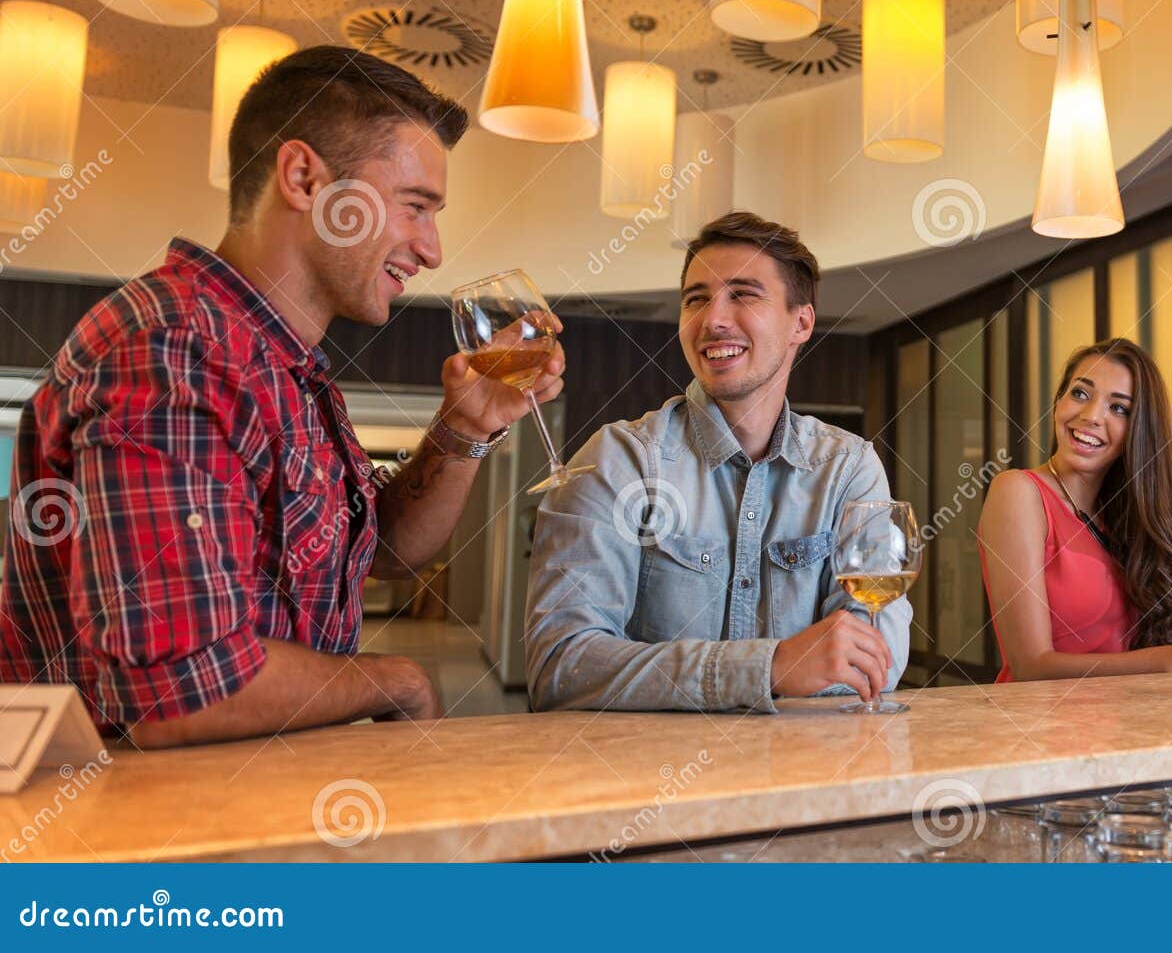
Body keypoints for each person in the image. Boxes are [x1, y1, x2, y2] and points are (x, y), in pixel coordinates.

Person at [0, 46, 564, 747]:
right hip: (144, 841)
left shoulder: (282, 366)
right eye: (415, 207)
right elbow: (185, 698)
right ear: (303, 178)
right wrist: (396, 680)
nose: (432, 248)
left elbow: (377, 553)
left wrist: (462, 431)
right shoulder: (174, 347)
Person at [523, 212, 908, 711]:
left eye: (743, 294)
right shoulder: (619, 459)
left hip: (802, 778)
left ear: (801, 322)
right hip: (643, 780)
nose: (713, 319)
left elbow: (880, 658)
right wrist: (773, 667)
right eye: (696, 299)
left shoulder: (849, 469)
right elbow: (562, 666)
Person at [977, 338, 1172, 679]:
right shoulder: (1018, 491)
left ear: (1138, 431)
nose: (1091, 416)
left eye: (1119, 408)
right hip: (1042, 726)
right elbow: (1030, 666)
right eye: (1080, 393)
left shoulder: (1123, 516)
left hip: (1127, 725)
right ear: (1058, 402)